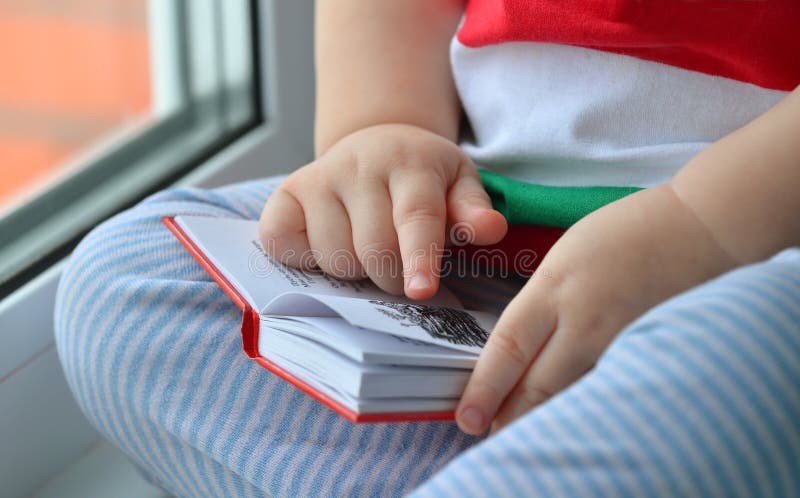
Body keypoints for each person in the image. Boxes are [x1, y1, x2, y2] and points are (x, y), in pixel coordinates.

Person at [55, 1, 800, 496]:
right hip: (464, 228)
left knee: (751, 357)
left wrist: (700, 228)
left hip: (740, 257)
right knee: (122, 287)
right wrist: (379, 130)